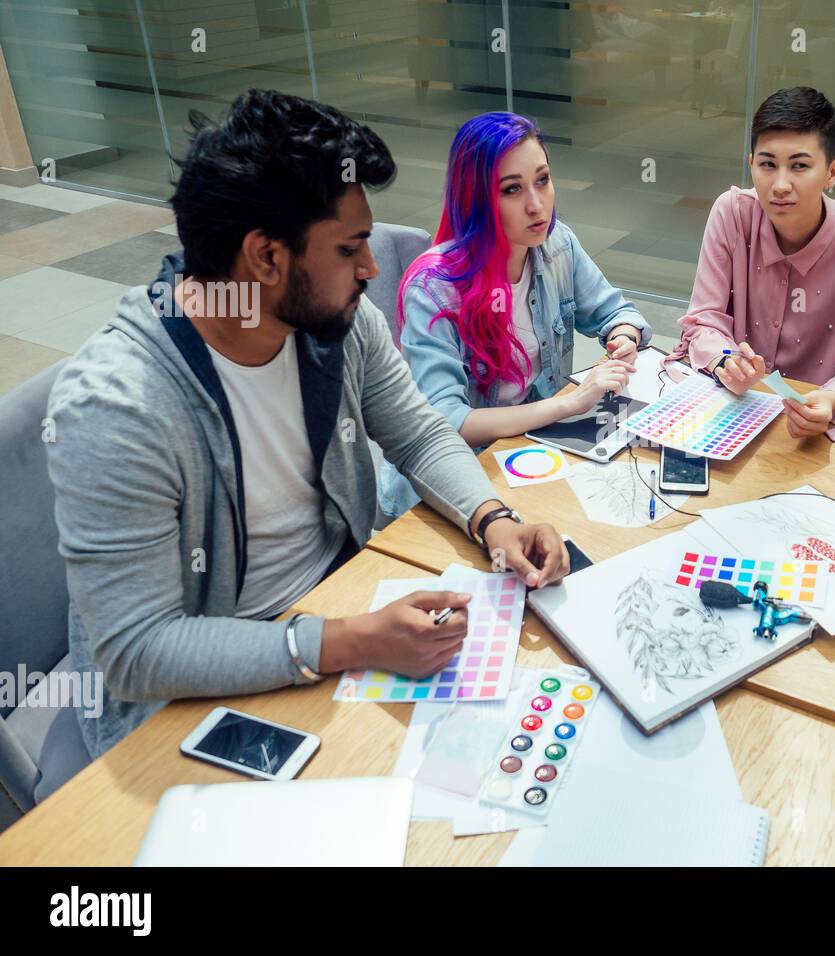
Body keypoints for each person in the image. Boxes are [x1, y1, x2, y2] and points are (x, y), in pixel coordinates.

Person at [45, 90, 568, 757]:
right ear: (266, 258)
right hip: (198, 685)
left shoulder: (334, 323)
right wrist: (347, 641)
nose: (372, 270)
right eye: (350, 249)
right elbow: (138, 648)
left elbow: (416, 433)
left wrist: (495, 519)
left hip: (339, 604)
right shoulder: (118, 408)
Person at [380, 112, 650, 517]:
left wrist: (623, 338)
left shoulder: (555, 245)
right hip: (455, 482)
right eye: (512, 190)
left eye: (542, 180)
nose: (536, 205)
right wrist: (571, 404)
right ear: (476, 199)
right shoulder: (434, 289)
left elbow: (617, 311)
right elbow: (446, 423)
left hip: (529, 453)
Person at [668, 86, 835, 441]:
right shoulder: (731, 214)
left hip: (819, 429)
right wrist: (726, 361)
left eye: (799, 166)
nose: (779, 185)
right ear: (750, 164)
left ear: (832, 172)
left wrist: (831, 397)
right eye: (767, 164)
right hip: (735, 412)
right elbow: (704, 320)